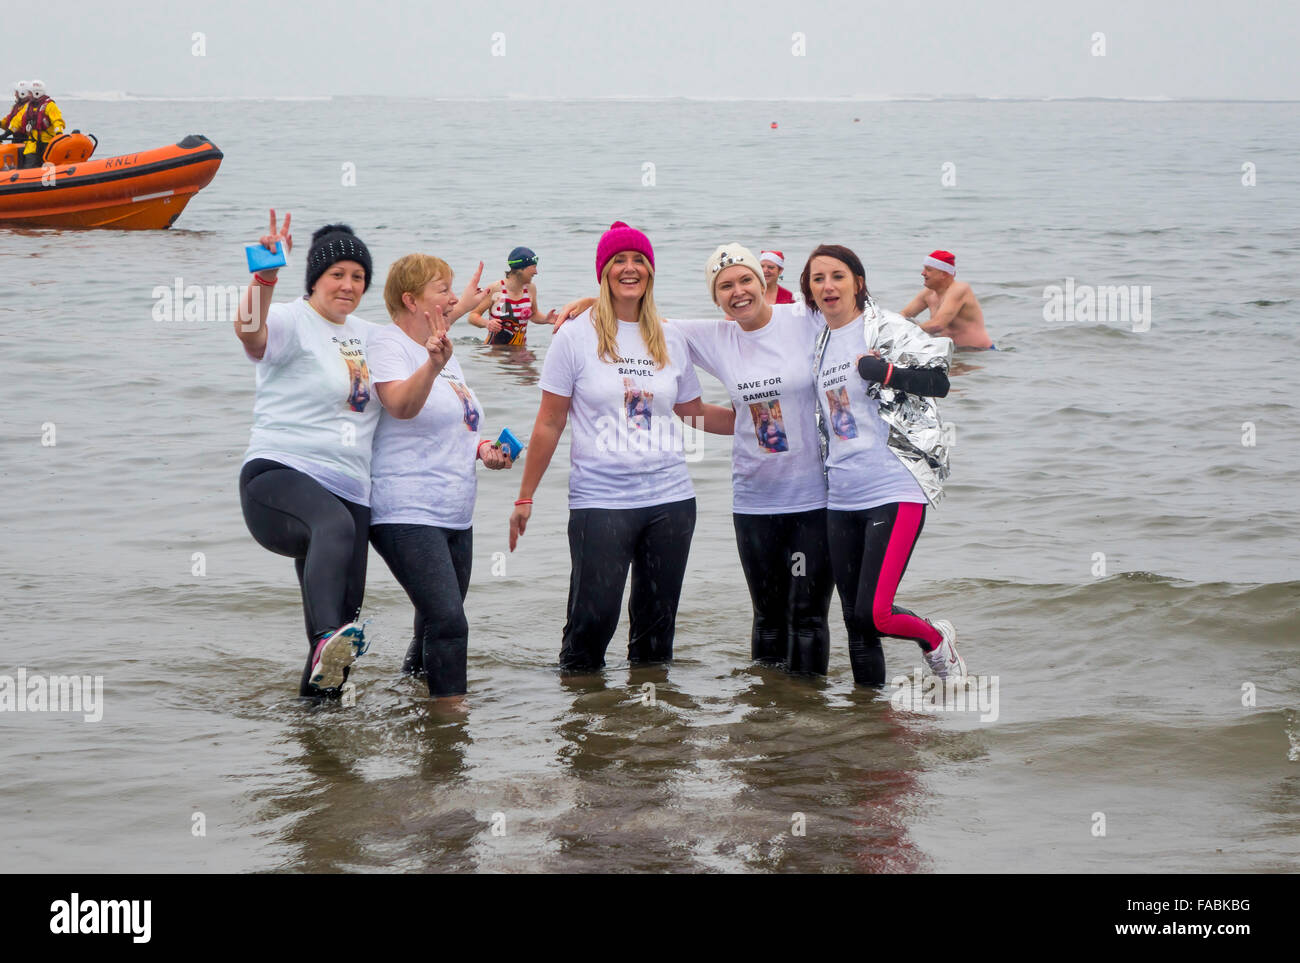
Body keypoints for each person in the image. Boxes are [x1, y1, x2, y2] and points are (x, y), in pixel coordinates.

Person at [552, 243, 834, 675]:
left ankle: (810, 717)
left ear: (765, 281)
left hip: (814, 495)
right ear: (715, 296)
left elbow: (852, 315)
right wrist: (595, 300)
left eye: (745, 280)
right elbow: (638, 315)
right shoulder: (710, 336)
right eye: (725, 286)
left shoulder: (804, 318)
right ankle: (769, 714)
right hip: (754, 498)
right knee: (769, 619)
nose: (737, 291)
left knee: (809, 616)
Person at [508, 221, 730, 673]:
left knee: (656, 636)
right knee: (591, 626)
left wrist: (753, 418)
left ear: (650, 270)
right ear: (604, 271)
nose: (630, 269)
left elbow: (691, 412)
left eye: (639, 261)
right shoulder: (574, 336)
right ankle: (586, 730)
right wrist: (525, 495)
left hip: (671, 501)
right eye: (619, 261)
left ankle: (648, 733)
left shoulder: (671, 337)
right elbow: (549, 423)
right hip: (602, 501)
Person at [802, 244, 966, 685]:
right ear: (810, 290)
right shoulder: (819, 342)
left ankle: (935, 638)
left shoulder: (886, 327)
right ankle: (868, 719)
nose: (827, 286)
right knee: (856, 620)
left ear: (857, 282)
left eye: (837, 275)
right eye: (818, 279)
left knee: (877, 613)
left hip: (895, 487)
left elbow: (939, 380)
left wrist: (887, 373)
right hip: (842, 494)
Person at [234, 211, 381, 700]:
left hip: (352, 487)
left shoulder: (367, 333)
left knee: (344, 626)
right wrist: (265, 275)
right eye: (336, 274)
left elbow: (421, 333)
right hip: (280, 475)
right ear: (315, 279)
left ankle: (318, 743)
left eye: (358, 276)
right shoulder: (292, 319)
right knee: (332, 531)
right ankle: (322, 642)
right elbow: (249, 330)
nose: (348, 284)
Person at [368, 254, 515, 703]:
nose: (453, 299)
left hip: (455, 512)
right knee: (450, 622)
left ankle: (412, 707)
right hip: (405, 510)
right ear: (411, 300)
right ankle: (452, 729)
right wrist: (432, 364)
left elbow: (457, 424)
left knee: (433, 623)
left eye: (453, 289)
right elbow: (402, 407)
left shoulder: (443, 349)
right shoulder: (387, 345)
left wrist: (485, 449)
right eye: (442, 289)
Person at [899, 250, 995, 349]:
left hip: (978, 354)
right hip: (952, 353)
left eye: (928, 270)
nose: (923, 273)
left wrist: (910, 329)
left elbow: (937, 325)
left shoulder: (960, 289)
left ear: (943, 274)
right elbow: (904, 315)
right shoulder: (928, 293)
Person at [467, 246, 558, 346]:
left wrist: (546, 319)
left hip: (521, 353)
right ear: (521, 268)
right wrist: (487, 323)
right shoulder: (496, 289)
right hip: (496, 355)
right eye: (533, 267)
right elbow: (472, 316)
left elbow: (534, 314)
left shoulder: (530, 289)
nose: (536, 272)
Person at [15, 79, 63, 169]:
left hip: (47, 143)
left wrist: (59, 133)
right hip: (33, 143)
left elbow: (57, 121)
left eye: (30, 93)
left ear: (36, 93)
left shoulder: (50, 105)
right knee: (29, 164)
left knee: (49, 165)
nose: (28, 95)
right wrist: (7, 132)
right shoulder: (28, 106)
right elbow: (17, 120)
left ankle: (48, 181)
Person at [1, 81, 30, 146]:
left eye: (16, 92)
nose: (15, 95)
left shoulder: (29, 106)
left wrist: (5, 134)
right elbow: (8, 121)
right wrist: (1, 123)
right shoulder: (16, 106)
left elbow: (18, 121)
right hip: (17, 139)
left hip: (27, 140)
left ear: (22, 93)